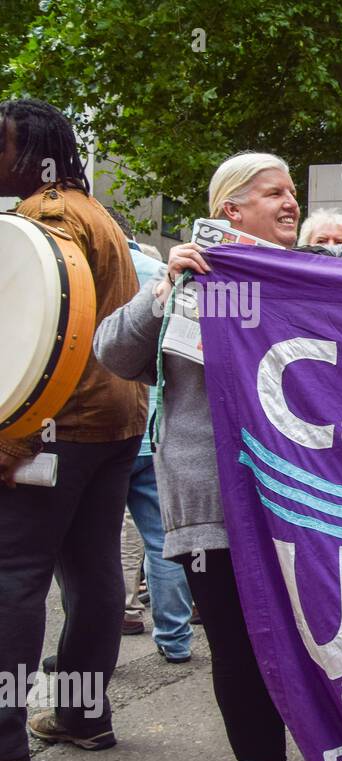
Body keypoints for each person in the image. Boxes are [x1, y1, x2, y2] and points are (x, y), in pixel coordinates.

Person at [92, 127, 342, 761]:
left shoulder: (315, 272)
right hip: (214, 499)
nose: (289, 204)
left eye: (289, 194)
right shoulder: (189, 279)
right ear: (231, 209)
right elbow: (113, 356)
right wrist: (162, 292)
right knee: (238, 644)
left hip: (310, 498)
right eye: (274, 193)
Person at [0, 99, 147, 761]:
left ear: (32, 150)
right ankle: (84, 716)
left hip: (57, 423)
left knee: (15, 577)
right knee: (92, 572)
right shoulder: (93, 211)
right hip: (114, 420)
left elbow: (42, 334)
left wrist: (14, 434)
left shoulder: (48, 215)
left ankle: (4, 745)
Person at [106, 208, 195, 662]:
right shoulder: (160, 267)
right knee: (162, 541)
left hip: (104, 426)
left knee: (100, 542)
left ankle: (105, 633)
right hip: (157, 426)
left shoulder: (93, 267)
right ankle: (175, 639)